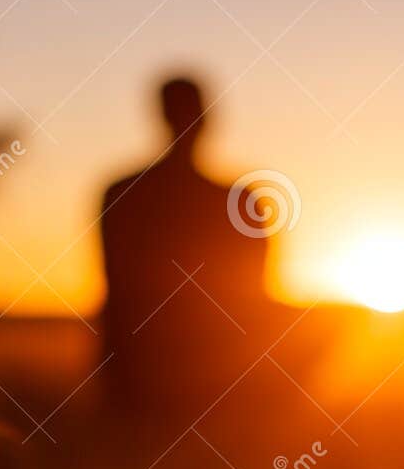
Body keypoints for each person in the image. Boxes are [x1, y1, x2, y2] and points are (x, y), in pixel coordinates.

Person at [97, 75, 274, 427]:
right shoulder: (237, 203)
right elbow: (119, 294)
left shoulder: (124, 194)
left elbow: (254, 300)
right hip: (150, 383)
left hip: (210, 386)